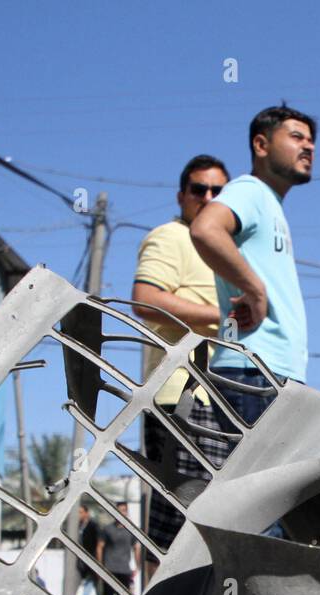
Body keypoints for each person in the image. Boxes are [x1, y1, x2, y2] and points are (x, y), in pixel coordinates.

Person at [132, 155, 231, 568]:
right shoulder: (172, 237)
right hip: (182, 399)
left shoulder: (225, 252)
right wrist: (219, 314)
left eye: (217, 192)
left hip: (220, 400)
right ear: (181, 196)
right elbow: (145, 299)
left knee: (211, 521)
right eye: (198, 189)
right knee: (181, 525)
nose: (207, 197)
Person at [190, 103, 315, 429]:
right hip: (253, 371)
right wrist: (255, 289)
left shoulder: (269, 202)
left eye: (311, 141)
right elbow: (206, 229)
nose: (308, 146)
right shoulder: (251, 191)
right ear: (261, 145)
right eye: (297, 137)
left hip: (268, 373)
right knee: (260, 479)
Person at [97, 501, 137, 595]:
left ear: (127, 512)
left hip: (125, 570)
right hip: (110, 570)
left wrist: (136, 567)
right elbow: (100, 546)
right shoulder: (107, 529)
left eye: (124, 510)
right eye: (119, 510)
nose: (122, 513)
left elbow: (136, 547)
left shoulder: (131, 530)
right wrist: (101, 566)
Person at [74, 504, 102, 595]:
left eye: (81, 512)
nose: (79, 515)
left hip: (93, 564)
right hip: (84, 566)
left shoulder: (93, 526)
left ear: (86, 513)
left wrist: (98, 564)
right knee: (88, 592)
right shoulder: (79, 527)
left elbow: (98, 546)